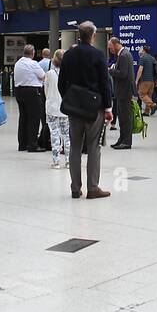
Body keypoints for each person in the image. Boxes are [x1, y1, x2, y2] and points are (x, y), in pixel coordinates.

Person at [57, 21, 113, 199]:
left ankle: (75, 188)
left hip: (74, 109)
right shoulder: (98, 55)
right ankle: (93, 187)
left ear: (79, 35)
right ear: (93, 36)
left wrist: (70, 98)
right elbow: (105, 84)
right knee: (94, 147)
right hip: (93, 108)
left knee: (74, 147)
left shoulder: (68, 55)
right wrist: (108, 107)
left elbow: (61, 83)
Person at [13, 43, 46, 152]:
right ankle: (32, 144)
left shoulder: (18, 63)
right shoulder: (33, 63)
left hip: (19, 91)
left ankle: (22, 144)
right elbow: (43, 76)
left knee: (23, 118)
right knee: (34, 118)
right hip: (32, 92)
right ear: (33, 53)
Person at [43, 49, 69, 169]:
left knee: (54, 134)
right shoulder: (69, 74)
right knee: (67, 135)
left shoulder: (49, 74)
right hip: (65, 108)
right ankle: (68, 160)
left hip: (52, 107)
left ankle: (56, 161)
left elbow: (46, 91)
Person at [108, 37, 134, 150]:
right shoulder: (123, 54)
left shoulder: (123, 56)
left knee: (125, 118)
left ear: (115, 44)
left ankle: (126, 141)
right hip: (123, 91)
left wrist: (110, 71)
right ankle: (122, 139)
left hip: (124, 91)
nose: (110, 50)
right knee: (122, 117)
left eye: (110, 47)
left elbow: (123, 73)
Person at [135, 44, 157, 115]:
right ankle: (146, 112)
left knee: (141, 94)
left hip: (144, 80)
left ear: (144, 50)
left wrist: (136, 80)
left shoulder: (143, 58)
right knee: (148, 95)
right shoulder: (152, 58)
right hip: (152, 80)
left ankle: (153, 105)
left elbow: (140, 70)